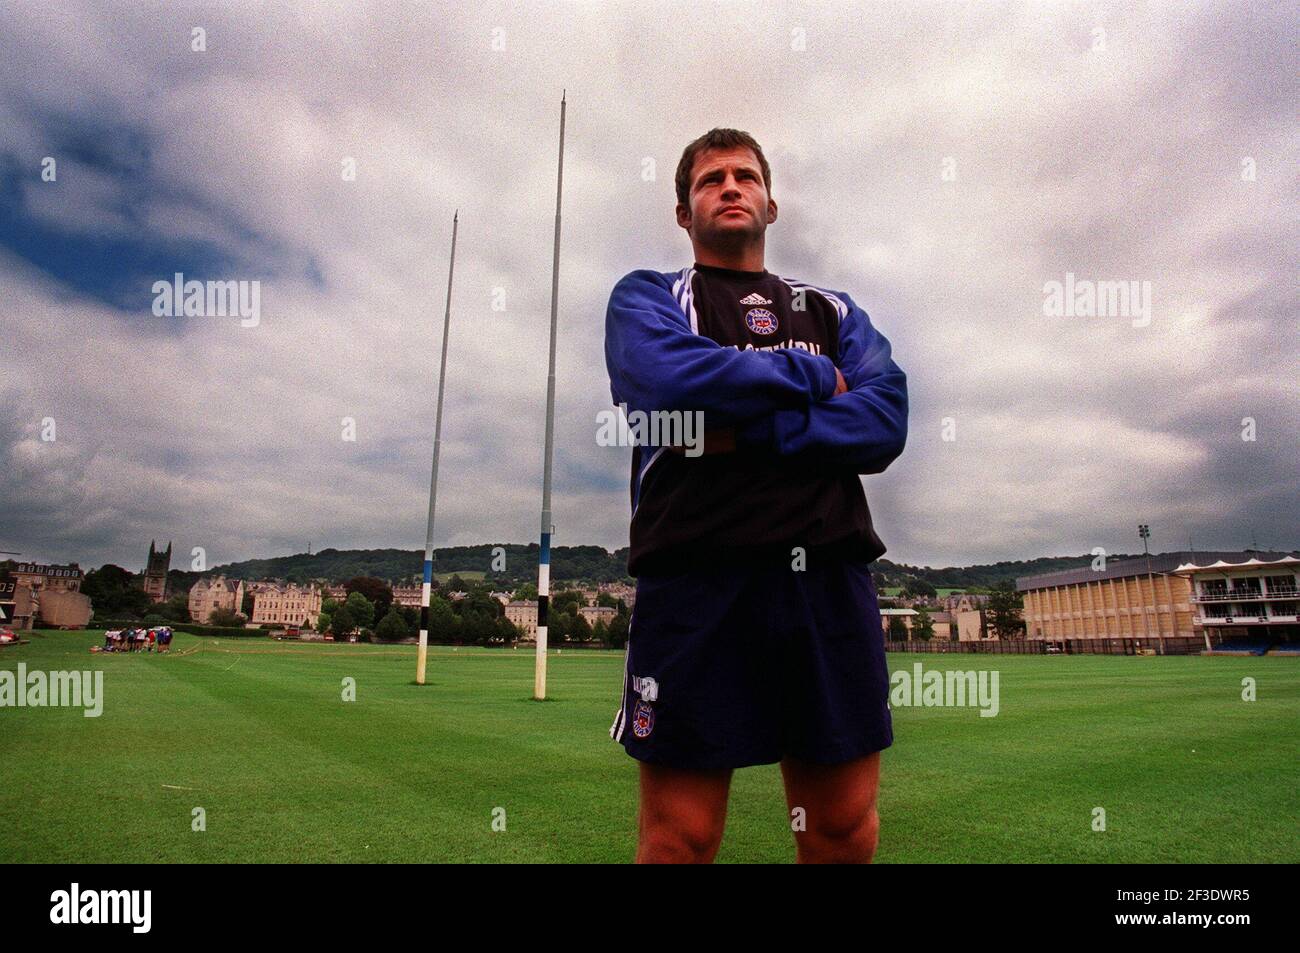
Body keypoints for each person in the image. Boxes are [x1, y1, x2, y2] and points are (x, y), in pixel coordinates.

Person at [604, 128, 908, 863]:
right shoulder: (651, 297)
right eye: (711, 179)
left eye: (745, 175)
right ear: (685, 212)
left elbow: (884, 419)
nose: (730, 186)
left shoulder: (832, 311)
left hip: (828, 584)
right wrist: (812, 383)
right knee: (679, 840)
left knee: (839, 831)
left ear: (771, 203)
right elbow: (667, 387)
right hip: (696, 583)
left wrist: (746, 429)